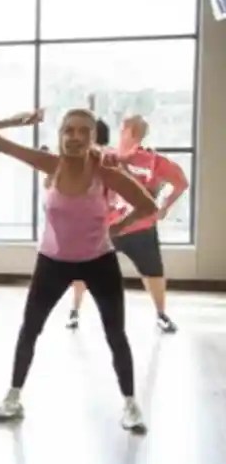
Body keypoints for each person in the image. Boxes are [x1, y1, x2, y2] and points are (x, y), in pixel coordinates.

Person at [0, 109, 155, 434]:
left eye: (83, 131)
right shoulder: (50, 164)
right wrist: (17, 122)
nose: (75, 137)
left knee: (115, 333)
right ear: (60, 135)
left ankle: (131, 404)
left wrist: (119, 227)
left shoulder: (106, 174)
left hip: (99, 261)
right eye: (69, 130)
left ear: (93, 138)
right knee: (30, 329)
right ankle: (13, 397)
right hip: (53, 261)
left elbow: (149, 206)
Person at [63, 115, 187, 334]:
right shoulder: (113, 157)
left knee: (152, 272)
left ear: (131, 132)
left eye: (123, 130)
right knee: (85, 268)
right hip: (110, 226)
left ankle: (161, 315)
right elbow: (181, 183)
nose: (120, 133)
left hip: (136, 227)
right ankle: (74, 311)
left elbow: (181, 183)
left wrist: (165, 207)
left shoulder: (151, 161)